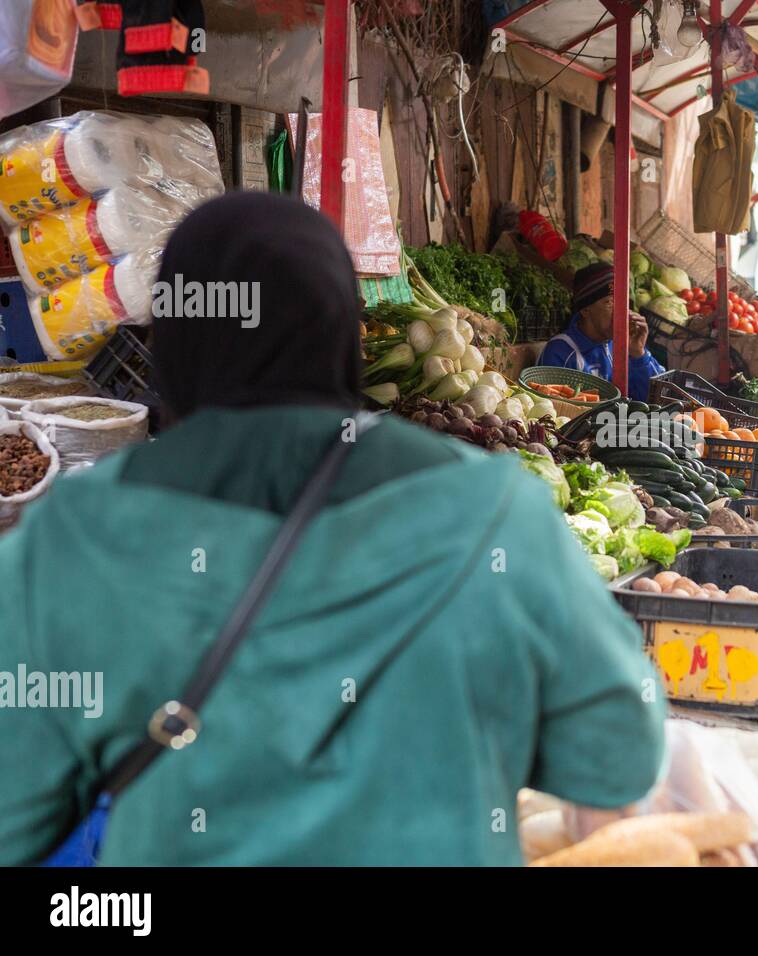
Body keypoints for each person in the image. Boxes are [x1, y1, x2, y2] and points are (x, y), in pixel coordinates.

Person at [0, 194, 665, 866]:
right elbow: (618, 753)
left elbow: (14, 814)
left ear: (173, 338)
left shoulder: (74, 530)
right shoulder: (493, 507)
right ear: (345, 332)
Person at [539, 262, 664, 402]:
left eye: (624, 302)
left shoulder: (626, 346)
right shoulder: (560, 351)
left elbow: (653, 401)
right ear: (585, 310)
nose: (621, 311)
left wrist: (639, 355)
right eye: (609, 302)